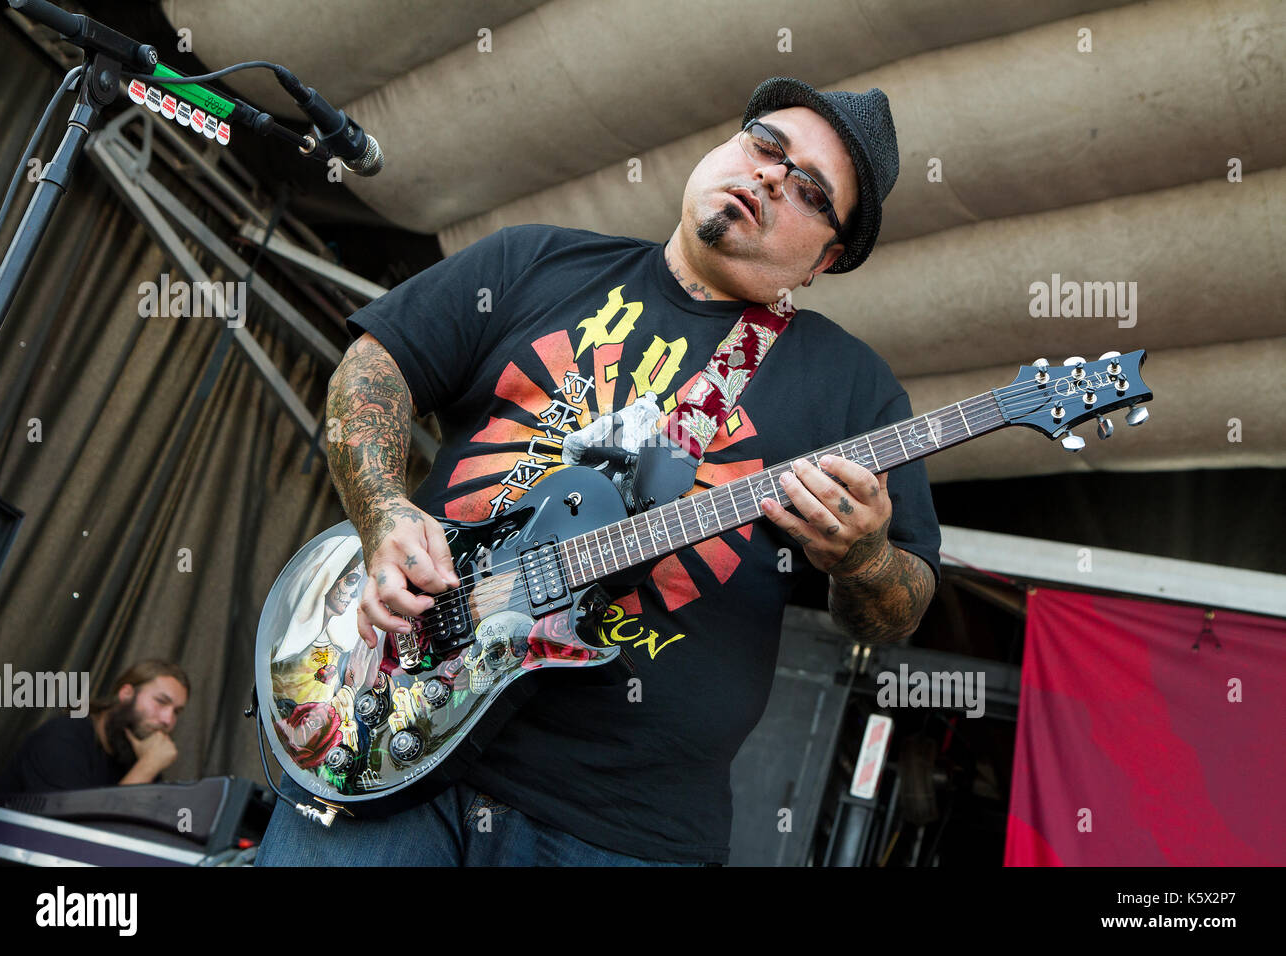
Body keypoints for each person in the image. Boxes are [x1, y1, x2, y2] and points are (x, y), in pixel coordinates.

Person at [257, 76, 940, 866]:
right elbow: (372, 371)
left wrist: (863, 559)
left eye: (810, 189)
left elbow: (900, 605)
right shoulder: (533, 262)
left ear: (826, 258)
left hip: (621, 828)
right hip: (389, 724)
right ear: (726, 147)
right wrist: (382, 512)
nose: (770, 178)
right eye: (765, 145)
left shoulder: (852, 389)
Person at [0, 659, 189, 795]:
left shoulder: (139, 756)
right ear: (127, 693)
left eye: (177, 712)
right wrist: (148, 766)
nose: (167, 720)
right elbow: (75, 837)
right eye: (161, 702)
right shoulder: (63, 737)